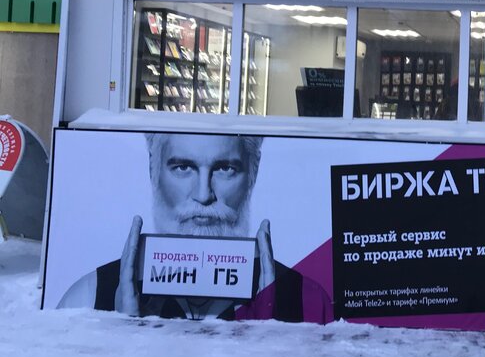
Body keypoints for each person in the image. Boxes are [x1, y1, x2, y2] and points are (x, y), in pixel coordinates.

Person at [58, 133, 332, 323]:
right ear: (152, 168)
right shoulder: (87, 299)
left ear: (253, 173)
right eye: (183, 167)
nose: (203, 195)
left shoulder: (307, 302)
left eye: (225, 168)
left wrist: (269, 341)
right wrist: (125, 335)